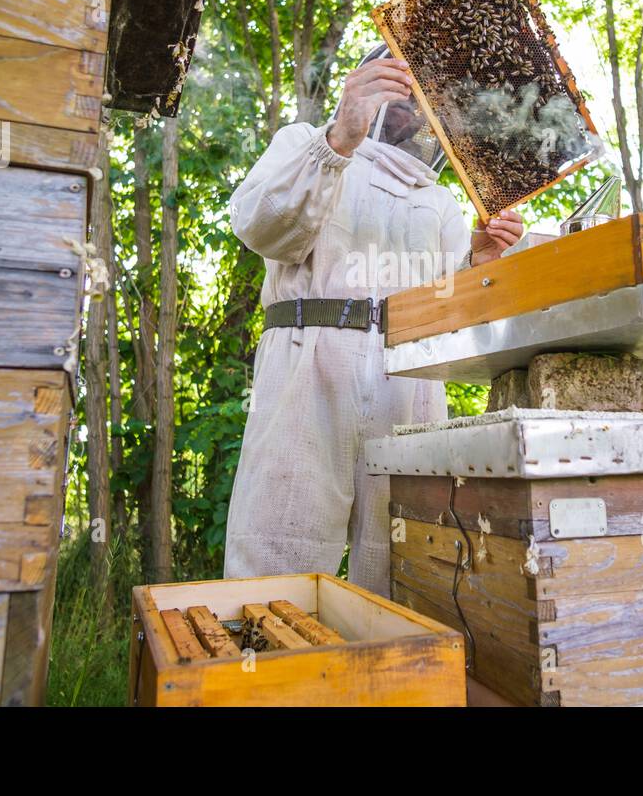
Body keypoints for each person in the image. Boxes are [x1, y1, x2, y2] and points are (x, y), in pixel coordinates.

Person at [224, 45, 524, 594]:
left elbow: (452, 316)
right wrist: (339, 140)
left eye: (428, 104)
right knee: (277, 546)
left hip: (409, 387)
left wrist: (477, 261)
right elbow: (261, 225)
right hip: (305, 371)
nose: (415, 111)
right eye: (406, 93)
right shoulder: (304, 142)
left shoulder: (439, 203)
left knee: (405, 557)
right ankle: (267, 671)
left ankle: (395, 675)